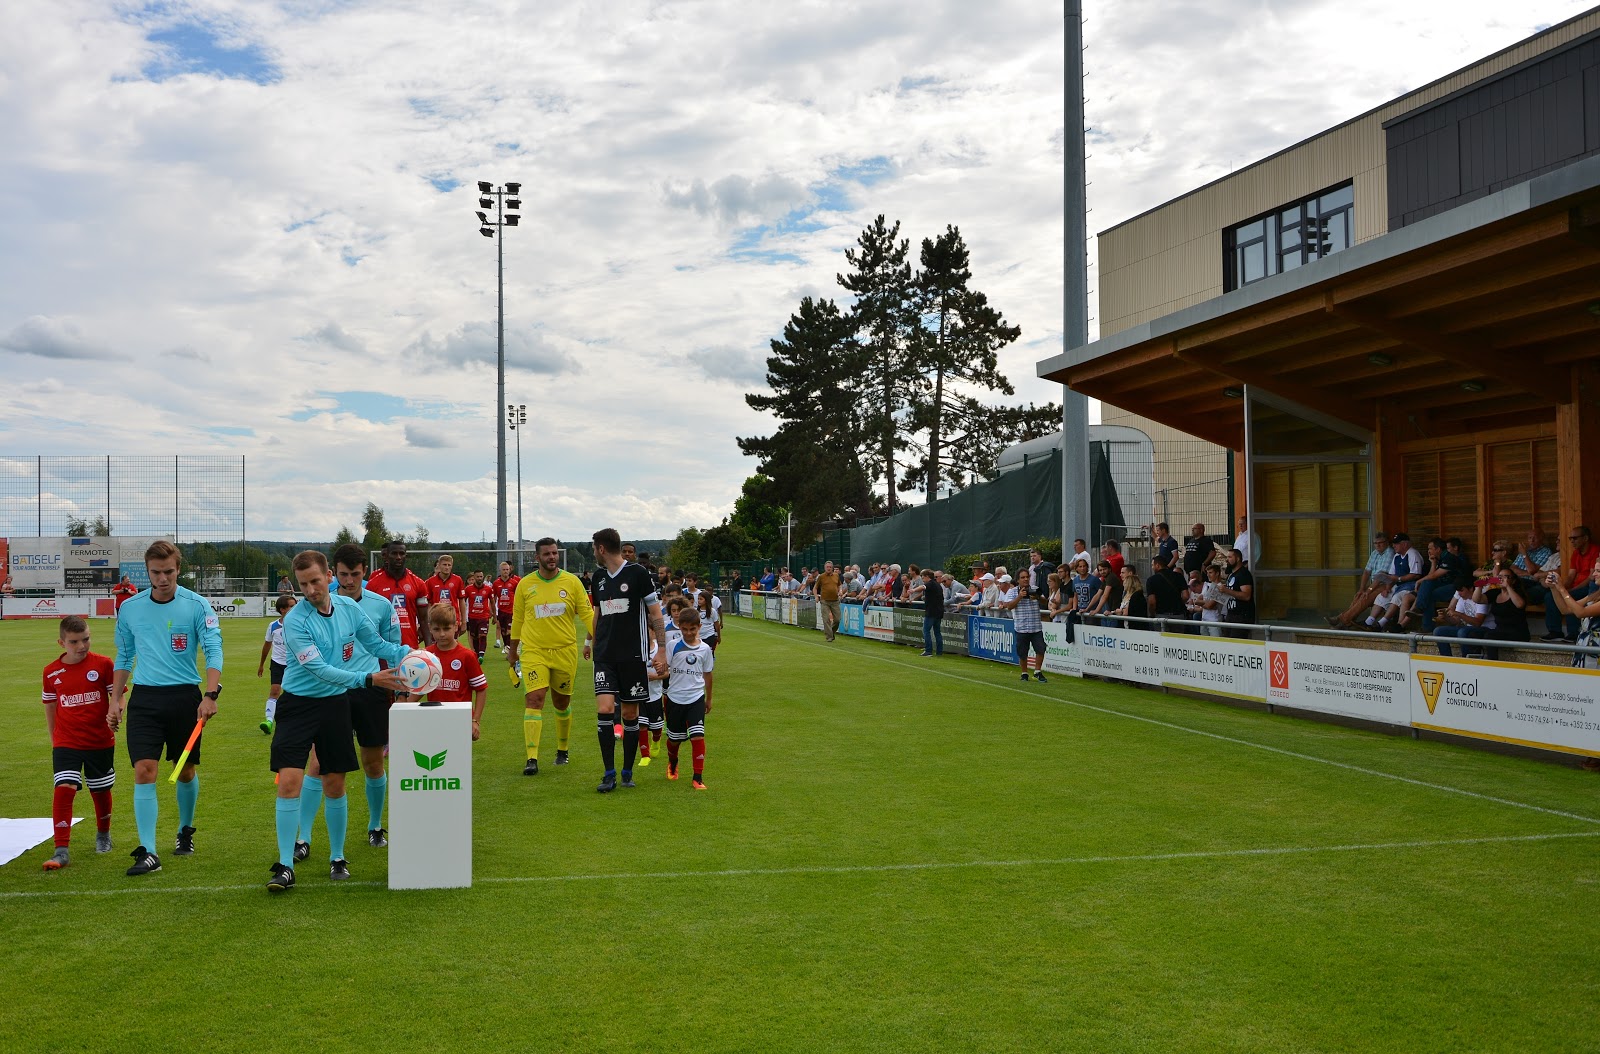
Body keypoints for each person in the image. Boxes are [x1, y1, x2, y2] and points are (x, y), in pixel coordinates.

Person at [267, 550, 411, 893]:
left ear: (328, 576)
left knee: (335, 783)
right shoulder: (295, 621)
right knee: (289, 782)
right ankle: (286, 865)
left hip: (334, 706)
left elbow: (376, 643)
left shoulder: (349, 609)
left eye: (315, 581)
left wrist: (410, 655)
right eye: (303, 584)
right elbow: (320, 669)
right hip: (298, 706)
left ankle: (337, 857)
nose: (310, 590)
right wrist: (368, 679)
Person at [107, 540, 222, 878]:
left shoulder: (197, 605)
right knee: (144, 770)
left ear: (178, 569)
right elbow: (124, 656)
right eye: (156, 572)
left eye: (168, 572)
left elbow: (213, 650)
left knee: (184, 770)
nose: (162, 578)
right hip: (145, 700)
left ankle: (185, 830)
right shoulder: (130, 608)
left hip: (185, 699)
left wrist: (210, 695)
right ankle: (148, 851)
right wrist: (116, 699)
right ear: (147, 572)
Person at [294, 542, 407, 857]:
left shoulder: (380, 605)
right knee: (318, 763)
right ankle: (303, 838)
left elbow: (391, 648)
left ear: (364, 571)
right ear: (333, 572)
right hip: (330, 691)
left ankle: (375, 826)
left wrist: (401, 688)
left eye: (355, 574)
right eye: (343, 575)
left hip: (370, 690)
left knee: (373, 762)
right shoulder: (318, 602)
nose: (348, 581)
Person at [588, 528, 668, 792]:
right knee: (605, 710)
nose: (594, 553)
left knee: (630, 714)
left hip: (633, 655)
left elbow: (655, 613)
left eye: (594, 548)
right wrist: (591, 643)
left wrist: (661, 650)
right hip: (604, 656)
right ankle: (608, 774)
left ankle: (627, 772)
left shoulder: (638, 574)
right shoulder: (598, 577)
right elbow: (597, 614)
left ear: (601, 548)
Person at [508, 538, 595, 776]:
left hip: (565, 651)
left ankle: (562, 750)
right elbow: (518, 619)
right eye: (547, 554)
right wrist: (513, 650)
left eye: (555, 553)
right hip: (534, 651)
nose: (552, 557)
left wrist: (601, 639)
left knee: (561, 703)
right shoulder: (525, 584)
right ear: (537, 558)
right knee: (535, 699)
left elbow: (587, 613)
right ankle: (532, 758)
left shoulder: (572, 582)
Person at [41, 615, 116, 870]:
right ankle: (61, 850)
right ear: (61, 643)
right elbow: (50, 705)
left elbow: (117, 696)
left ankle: (103, 834)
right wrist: (54, 738)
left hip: (99, 740)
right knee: (64, 788)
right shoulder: (51, 672)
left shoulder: (104, 664)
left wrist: (116, 710)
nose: (82, 646)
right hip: (66, 741)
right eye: (74, 642)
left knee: (101, 790)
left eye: (86, 639)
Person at [665, 606, 714, 789]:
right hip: (675, 698)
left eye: (692, 629)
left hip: (696, 698)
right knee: (674, 740)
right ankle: (673, 762)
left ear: (699, 627)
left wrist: (708, 699)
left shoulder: (705, 649)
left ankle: (697, 777)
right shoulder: (672, 646)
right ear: (679, 627)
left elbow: (708, 674)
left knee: (697, 736)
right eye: (684, 629)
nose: (688, 633)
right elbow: (665, 670)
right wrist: (659, 671)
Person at [424, 604, 488, 734]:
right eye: (437, 629)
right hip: (434, 719)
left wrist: (475, 721)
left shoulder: (467, 656)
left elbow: (481, 689)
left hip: (461, 720)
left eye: (447, 628)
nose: (442, 634)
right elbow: (421, 688)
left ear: (456, 626)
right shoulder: (426, 655)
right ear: (430, 628)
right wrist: (403, 706)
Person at [366, 539, 429, 648]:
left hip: (410, 646)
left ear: (405, 556)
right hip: (383, 649)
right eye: (394, 553)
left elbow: (423, 620)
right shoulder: (373, 584)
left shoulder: (418, 583)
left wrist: (429, 647)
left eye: (402, 553)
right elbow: (369, 620)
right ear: (386, 556)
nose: (398, 557)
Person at [1328, 532, 1393, 628]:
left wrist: (1368, 590)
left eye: (1380, 542)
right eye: (1375, 543)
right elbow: (1366, 571)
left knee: (1365, 598)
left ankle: (1342, 619)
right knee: (1358, 596)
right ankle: (1347, 621)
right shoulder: (1375, 553)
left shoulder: (1389, 553)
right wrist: (1362, 589)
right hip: (1375, 584)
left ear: (1387, 542)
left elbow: (1381, 577)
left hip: (1385, 585)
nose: (1377, 545)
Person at [256, 594, 295, 735]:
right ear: (282, 609)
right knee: (274, 691)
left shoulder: (300, 624)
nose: (295, 608)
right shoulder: (273, 626)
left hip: (295, 664)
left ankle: (293, 721)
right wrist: (261, 664)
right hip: (277, 663)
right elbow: (267, 645)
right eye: (291, 606)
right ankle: (268, 721)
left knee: (294, 693)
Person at [1012, 567, 1047, 681]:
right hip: (1021, 627)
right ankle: (1024, 673)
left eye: (1027, 577)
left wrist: (1037, 597)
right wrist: (1019, 596)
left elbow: (1045, 602)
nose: (1025, 579)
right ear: (1018, 580)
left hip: (1035, 626)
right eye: (1023, 577)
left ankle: (1037, 671)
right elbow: (1009, 606)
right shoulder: (1013, 591)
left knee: (1041, 649)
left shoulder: (1035, 589)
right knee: (1022, 652)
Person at [1217, 548, 1256, 635]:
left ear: (1238, 559)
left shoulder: (1243, 574)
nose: (1227, 560)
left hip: (1242, 615)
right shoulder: (1231, 574)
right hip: (1231, 614)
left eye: (1230, 557)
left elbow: (1246, 596)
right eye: (1227, 557)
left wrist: (1227, 590)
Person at [425, 554, 466, 635]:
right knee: (436, 642)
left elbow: (461, 601)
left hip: (452, 618)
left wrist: (464, 621)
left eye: (449, 565)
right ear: (439, 565)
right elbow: (429, 603)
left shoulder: (458, 580)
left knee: (452, 642)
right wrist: (429, 620)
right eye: (444, 565)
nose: (447, 567)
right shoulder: (430, 582)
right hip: (436, 618)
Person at [463, 569, 495, 661]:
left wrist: (494, 616)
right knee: (475, 637)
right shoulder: (468, 589)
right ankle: (477, 654)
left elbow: (492, 602)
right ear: (474, 577)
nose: (479, 578)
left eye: (481, 576)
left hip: (484, 617)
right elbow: (462, 601)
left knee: (483, 635)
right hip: (472, 617)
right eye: (477, 577)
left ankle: (481, 654)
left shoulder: (488, 589)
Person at [919, 567, 944, 657]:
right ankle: (939, 651)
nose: (922, 579)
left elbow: (923, 587)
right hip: (939, 611)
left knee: (926, 630)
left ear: (927, 576)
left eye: (923, 577)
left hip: (931, 611)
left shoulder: (930, 584)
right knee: (937, 632)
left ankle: (928, 650)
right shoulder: (938, 585)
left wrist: (913, 590)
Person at [816, 560, 843, 641]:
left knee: (837, 619)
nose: (829, 568)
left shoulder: (836, 575)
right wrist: (816, 596)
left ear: (832, 568)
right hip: (824, 600)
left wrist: (840, 591)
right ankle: (829, 637)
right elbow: (815, 588)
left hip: (835, 600)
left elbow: (840, 585)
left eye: (830, 567)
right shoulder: (821, 577)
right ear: (825, 568)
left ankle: (831, 632)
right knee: (826, 619)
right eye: (827, 567)